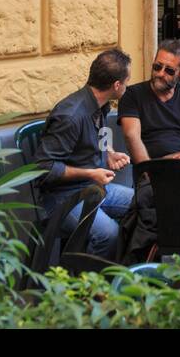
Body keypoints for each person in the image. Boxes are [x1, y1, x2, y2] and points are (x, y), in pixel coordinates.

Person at [38, 49, 134, 261]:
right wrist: (91, 173)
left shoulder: (99, 105)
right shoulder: (70, 116)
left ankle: (122, 274)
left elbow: (97, 133)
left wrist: (108, 153)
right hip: (61, 199)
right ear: (117, 85)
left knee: (142, 203)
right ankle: (86, 288)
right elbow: (43, 168)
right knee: (108, 235)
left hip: (92, 189)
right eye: (127, 81)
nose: (127, 86)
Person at [119, 39, 180, 163]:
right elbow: (131, 136)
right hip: (150, 166)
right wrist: (148, 170)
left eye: (169, 71)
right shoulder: (132, 95)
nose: (161, 73)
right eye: (157, 67)